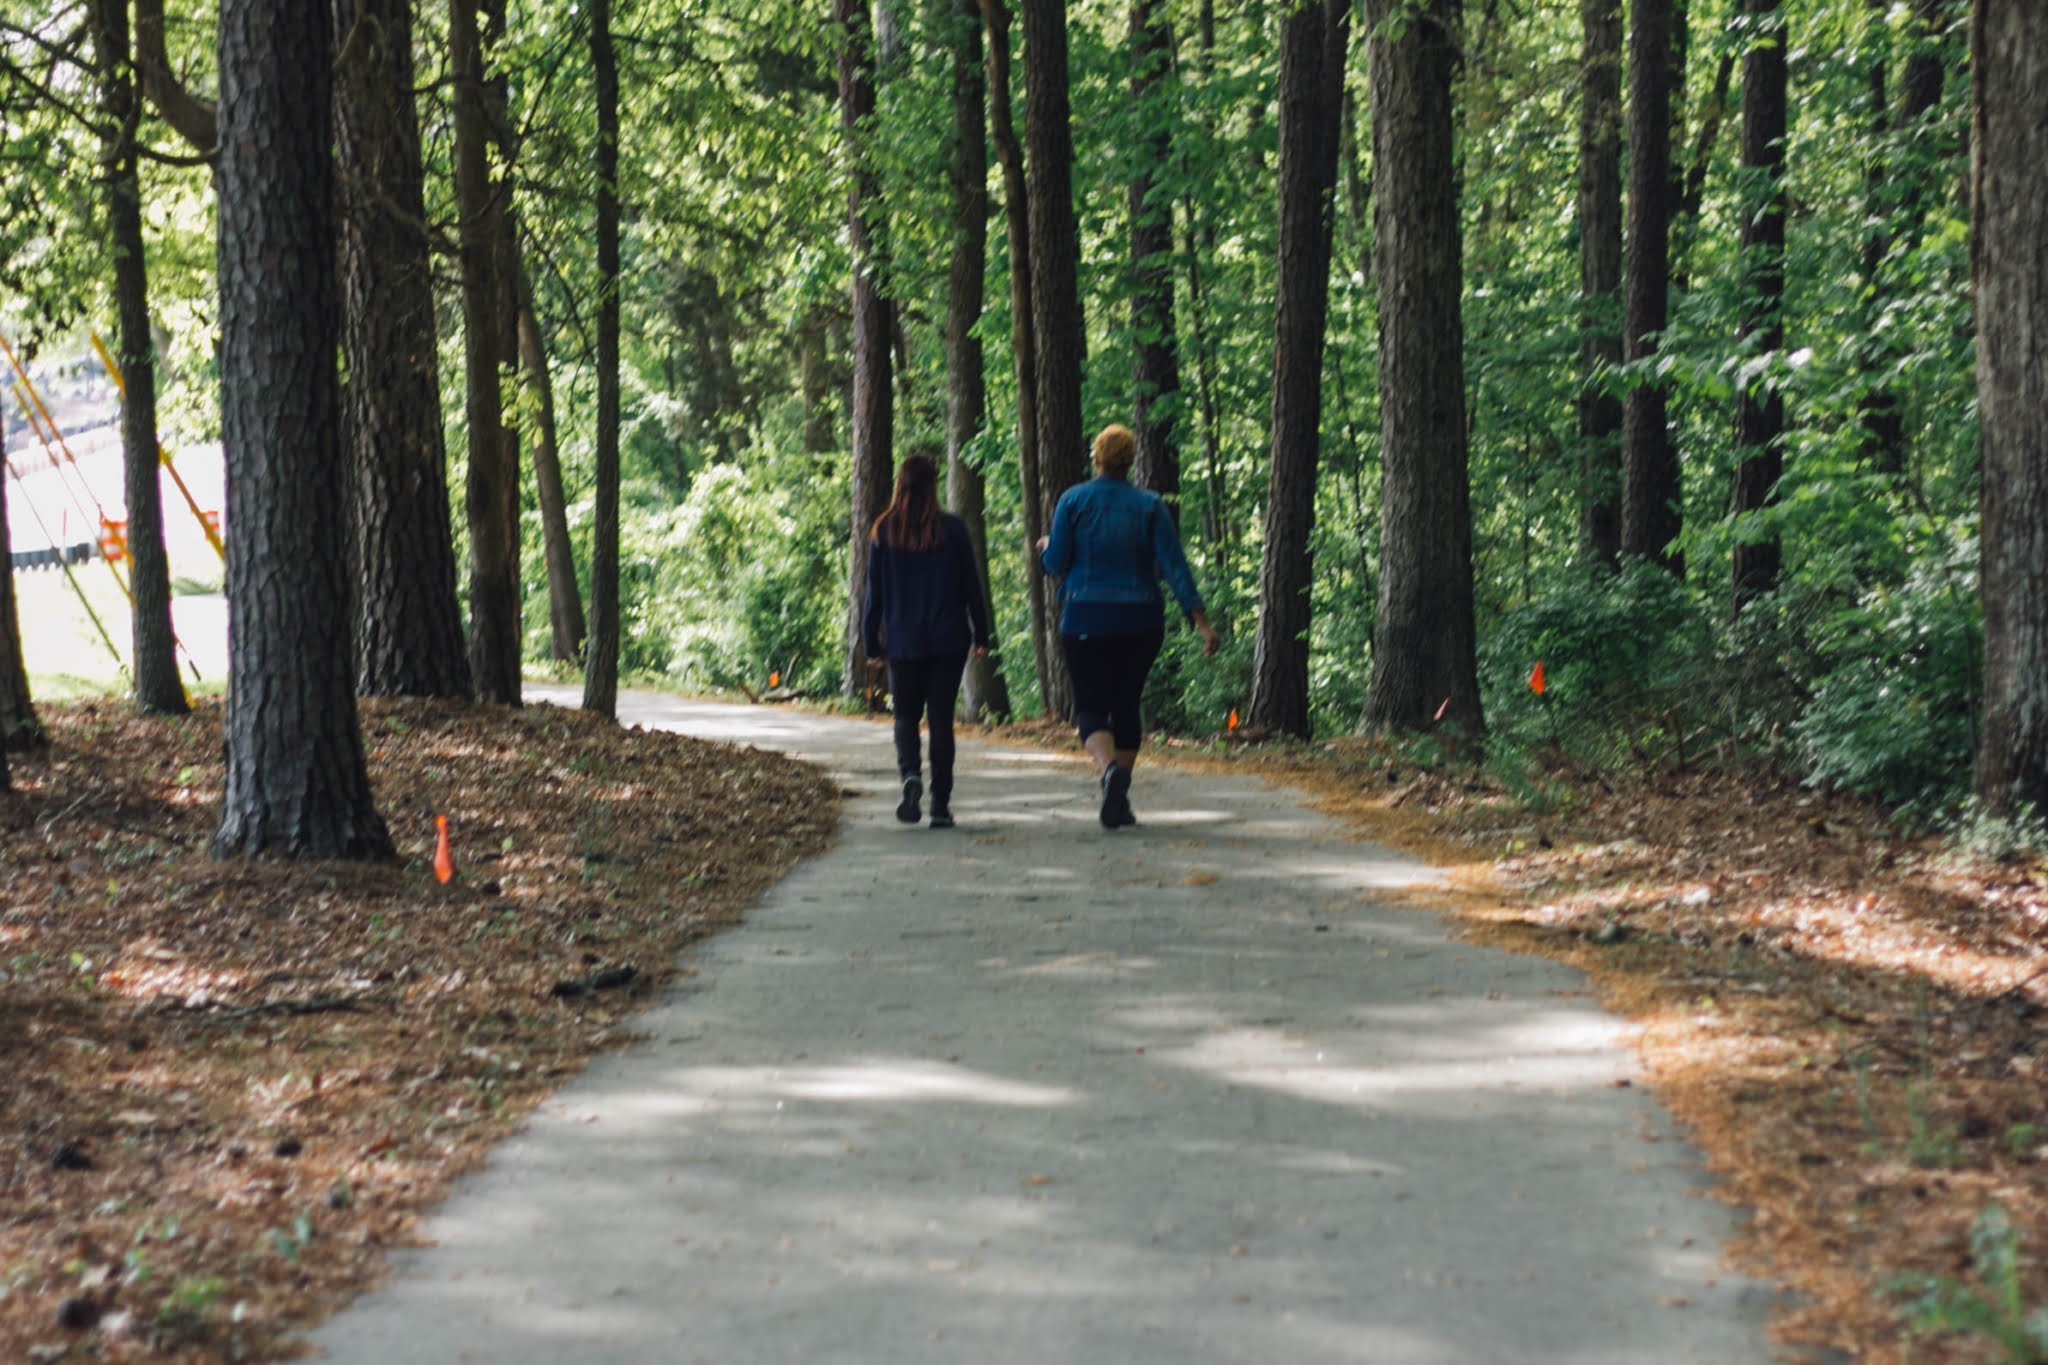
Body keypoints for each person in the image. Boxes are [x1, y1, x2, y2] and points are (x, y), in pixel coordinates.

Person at [1039, 423, 1220, 829]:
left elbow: (1054, 564)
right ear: (1131, 460)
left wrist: (1046, 546)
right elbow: (1175, 566)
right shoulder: (1150, 505)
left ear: (1097, 458)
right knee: (1125, 704)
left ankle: (1109, 773)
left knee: (1090, 705)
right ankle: (1119, 799)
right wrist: (1202, 623)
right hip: (1140, 620)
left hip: (1085, 616)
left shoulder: (1073, 501)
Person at [863, 455, 993, 830]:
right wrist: (981, 633)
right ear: (933, 485)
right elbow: (972, 584)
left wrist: (871, 644)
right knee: (940, 721)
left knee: (905, 715)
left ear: (900, 484)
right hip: (948, 639)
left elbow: (874, 596)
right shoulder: (951, 529)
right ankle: (940, 805)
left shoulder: (883, 531)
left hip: (903, 642)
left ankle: (910, 777)